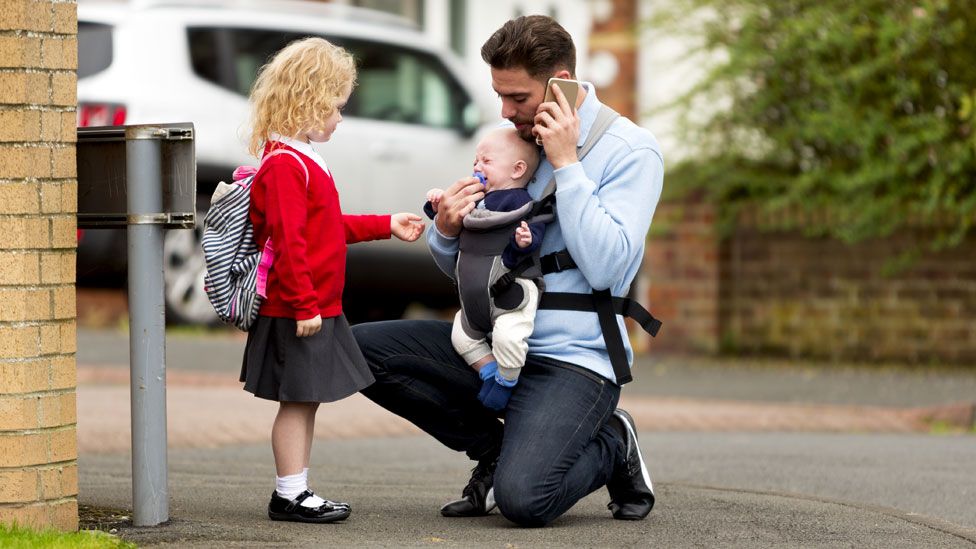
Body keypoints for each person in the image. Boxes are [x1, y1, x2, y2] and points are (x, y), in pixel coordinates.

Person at [353, 15, 663, 527]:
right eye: (500, 96)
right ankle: (498, 450)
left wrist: (567, 165)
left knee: (525, 500)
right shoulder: (511, 142)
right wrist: (448, 232)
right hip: (492, 342)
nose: (505, 111)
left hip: (574, 359)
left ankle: (613, 441)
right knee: (360, 351)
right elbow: (470, 265)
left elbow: (608, 268)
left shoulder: (630, 151)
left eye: (518, 97)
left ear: (560, 80)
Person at [239, 37, 425, 524]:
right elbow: (288, 240)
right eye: (336, 107)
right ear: (309, 99)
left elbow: (326, 227)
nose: (341, 118)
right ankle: (290, 493)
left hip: (314, 304)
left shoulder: (302, 158)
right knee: (297, 401)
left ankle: (295, 488)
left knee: (306, 400)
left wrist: (386, 223)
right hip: (297, 307)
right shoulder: (284, 165)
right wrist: (304, 304)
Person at [425, 127, 544, 411]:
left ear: (517, 170)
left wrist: (525, 240)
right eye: (476, 161)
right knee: (461, 336)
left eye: (486, 162)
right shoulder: (481, 197)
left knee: (509, 338)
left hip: (510, 296)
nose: (478, 167)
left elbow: (534, 230)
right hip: (475, 303)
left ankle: (506, 382)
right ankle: (489, 370)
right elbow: (448, 215)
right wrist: (439, 203)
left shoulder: (518, 201)